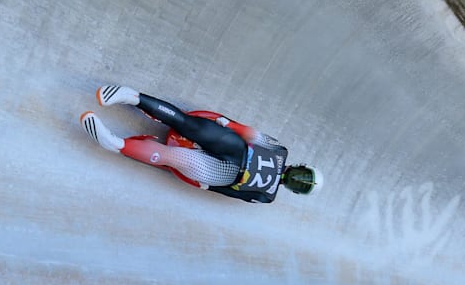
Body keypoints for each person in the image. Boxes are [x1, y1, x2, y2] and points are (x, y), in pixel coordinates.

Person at [79, 85, 321, 203]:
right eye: (303, 176)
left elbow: (232, 193)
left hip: (223, 174)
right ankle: (132, 97)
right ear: (301, 166)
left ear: (295, 191)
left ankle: (116, 144)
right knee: (189, 124)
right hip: (234, 147)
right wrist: (227, 124)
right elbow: (253, 135)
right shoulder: (280, 151)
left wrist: (206, 186)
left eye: (301, 184)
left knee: (176, 158)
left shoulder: (267, 197)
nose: (297, 180)